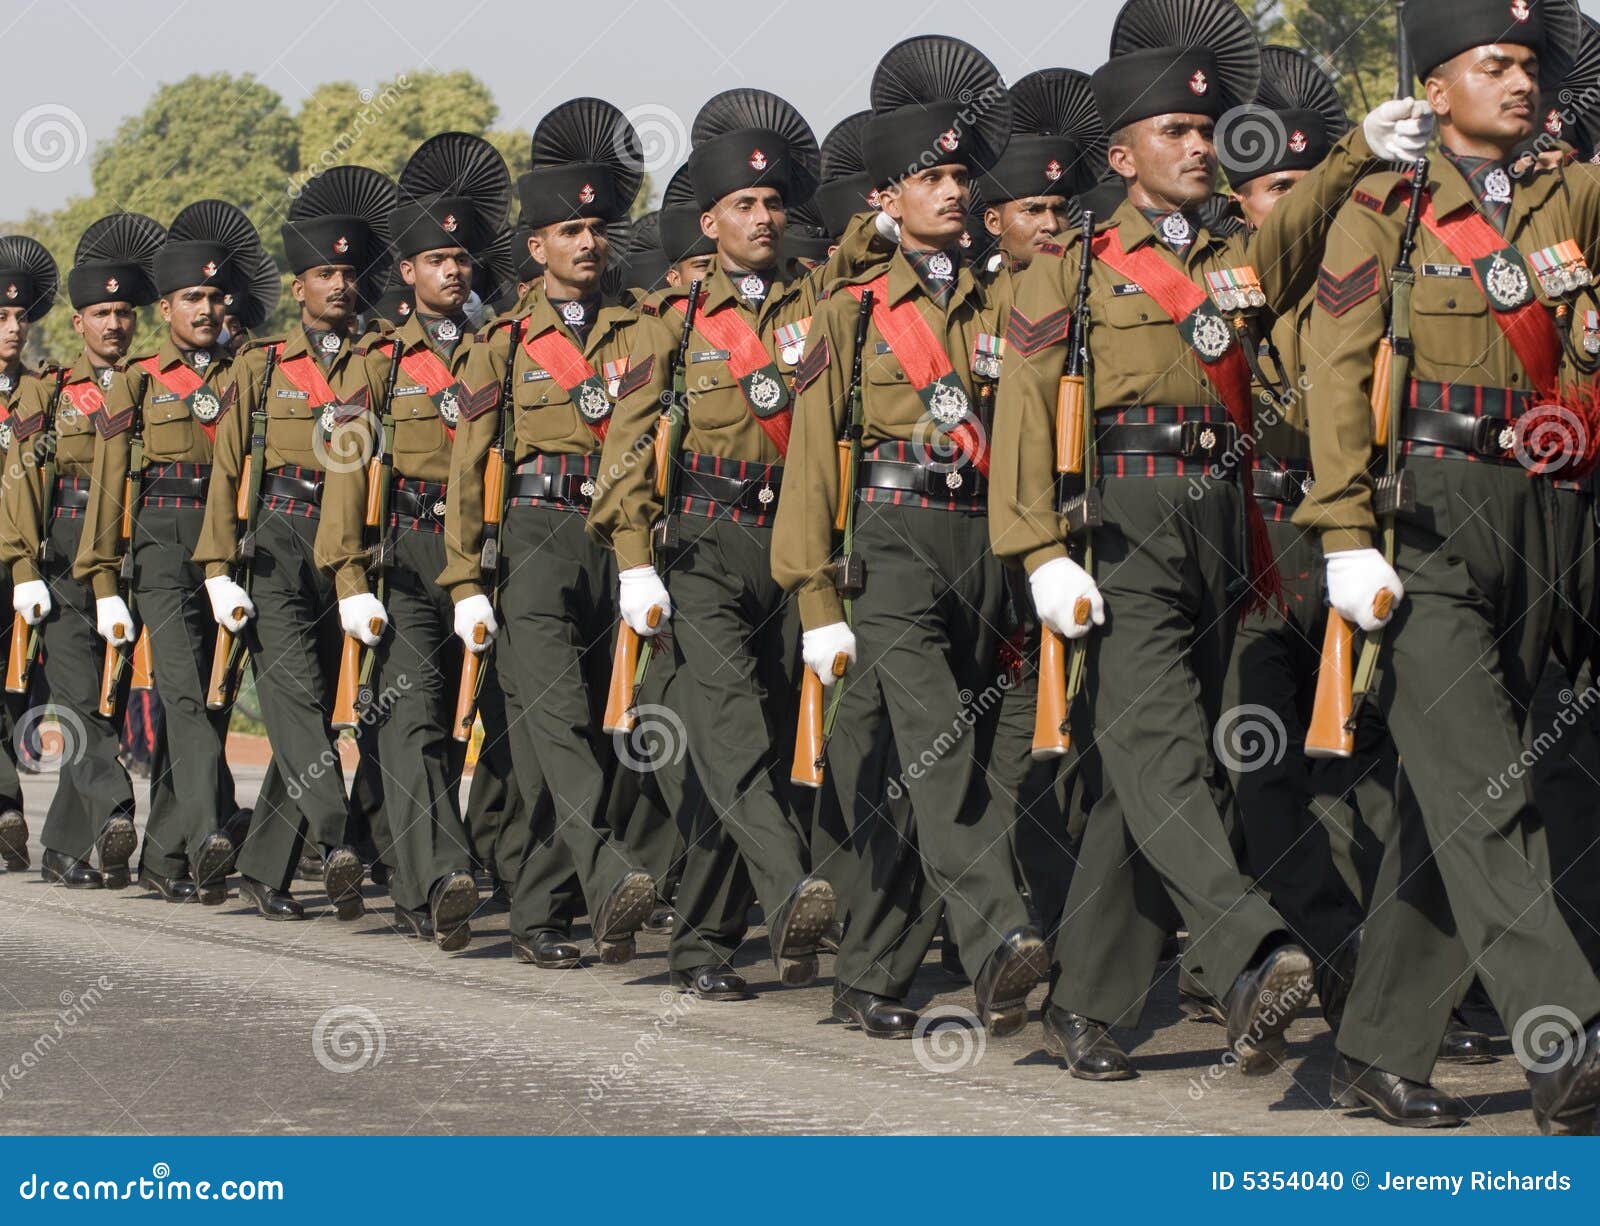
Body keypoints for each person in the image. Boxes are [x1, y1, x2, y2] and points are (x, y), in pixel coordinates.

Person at [989, 0, 1418, 1078]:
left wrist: (1361, 148)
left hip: (1231, 524)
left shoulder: (1238, 257)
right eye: (1175, 132)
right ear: (1123, 152)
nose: (1196, 144)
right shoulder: (1071, 268)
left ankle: (1082, 1001)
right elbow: (1028, 413)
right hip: (1122, 524)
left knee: (1177, 761)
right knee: (1159, 749)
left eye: (1207, 129)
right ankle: (1247, 950)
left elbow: (1305, 224)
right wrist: (1037, 551)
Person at [1295, 0, 1600, 1134]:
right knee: (1488, 780)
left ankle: (1374, 1048)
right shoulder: (1383, 205)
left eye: (1529, 64)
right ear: (1434, 85)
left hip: (1549, 514)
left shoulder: (1572, 196)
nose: (1518, 82)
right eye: (1493, 63)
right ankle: (1562, 1035)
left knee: (1453, 794)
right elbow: (1333, 371)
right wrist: (1338, 534)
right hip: (1424, 519)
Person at [773, 35, 1051, 1037]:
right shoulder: (850, 312)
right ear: (885, 197)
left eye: (957, 175)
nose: (950, 191)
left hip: (980, 540)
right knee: (939, 750)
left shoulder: (1001, 297)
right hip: (890, 539)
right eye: (928, 177)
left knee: (922, 757)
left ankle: (872, 970)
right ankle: (998, 937)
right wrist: (813, 599)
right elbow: (812, 457)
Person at [316, 134, 507, 950]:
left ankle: (425, 869)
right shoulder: (377, 364)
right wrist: (348, 578)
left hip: (481, 554)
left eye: (461, 258)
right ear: (407, 272)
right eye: (436, 259)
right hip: (401, 551)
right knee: (413, 720)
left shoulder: (496, 348)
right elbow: (344, 473)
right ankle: (437, 877)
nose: (452, 272)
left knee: (477, 723)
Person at [194, 166, 397, 921]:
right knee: (296, 697)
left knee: (319, 713)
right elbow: (224, 474)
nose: (339, 285)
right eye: (324, 273)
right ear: (298, 285)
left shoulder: (379, 362)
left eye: (348, 272)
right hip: (277, 540)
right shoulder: (263, 364)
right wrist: (219, 567)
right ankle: (339, 833)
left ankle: (262, 871)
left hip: (350, 546)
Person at [76, 201, 271, 904]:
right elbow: (106, 490)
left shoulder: (245, 374)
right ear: (165, 308)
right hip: (160, 540)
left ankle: (163, 852)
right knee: (186, 693)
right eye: (193, 297)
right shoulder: (136, 382)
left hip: (229, 546)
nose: (208, 308)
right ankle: (211, 828)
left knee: (214, 700)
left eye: (217, 296)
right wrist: (100, 582)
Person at [1, 217, 158, 888]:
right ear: (77, 322)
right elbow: (27, 482)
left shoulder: (152, 387)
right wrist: (25, 568)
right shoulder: (52, 392)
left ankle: (65, 848)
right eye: (102, 313)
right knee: (77, 694)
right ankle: (117, 804)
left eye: (124, 312)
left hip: (134, 557)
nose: (115, 324)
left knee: (109, 694)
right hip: (66, 564)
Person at [0, 234, 60, 874]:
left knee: (16, 690)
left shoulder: (45, 394)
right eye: (2, 318)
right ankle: (6, 807)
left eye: (20, 318)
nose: (14, 329)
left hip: (26, 567)